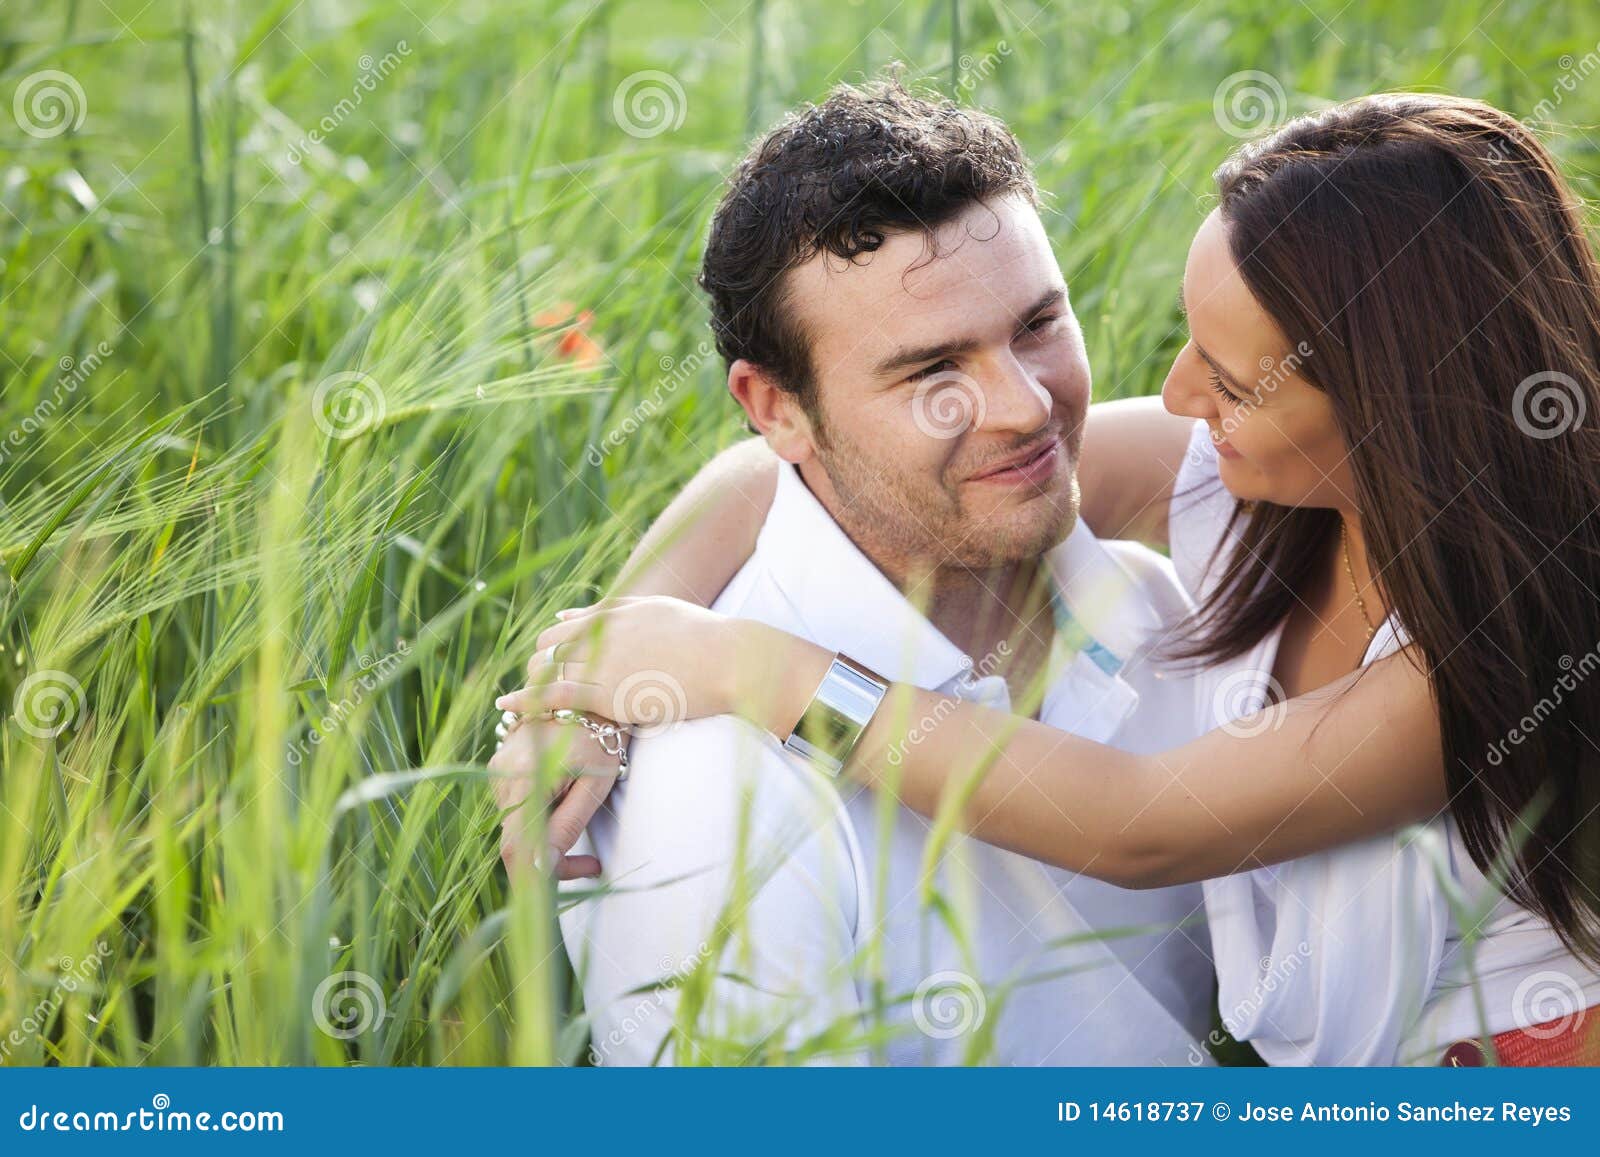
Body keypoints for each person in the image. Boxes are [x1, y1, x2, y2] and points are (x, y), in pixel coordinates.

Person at [501, 91, 1600, 1065]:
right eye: (933, 369)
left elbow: (1137, 827)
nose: (1172, 397)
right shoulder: (1246, 478)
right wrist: (606, 657)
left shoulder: (1498, 639)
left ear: (1391, 410)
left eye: (1229, 377)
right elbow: (776, 465)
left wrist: (764, 671)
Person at [494, 81, 1216, 1066]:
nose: (1022, 405)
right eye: (931, 374)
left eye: (1037, 326)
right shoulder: (718, 795)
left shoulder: (1165, 604)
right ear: (777, 407)